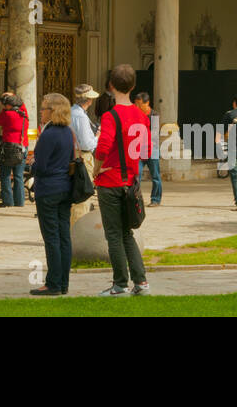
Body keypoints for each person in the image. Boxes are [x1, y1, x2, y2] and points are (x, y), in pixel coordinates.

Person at [93, 64, 150, 297]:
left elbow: (103, 146)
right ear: (133, 86)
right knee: (127, 233)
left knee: (114, 235)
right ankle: (141, 282)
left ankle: (119, 284)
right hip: (131, 182)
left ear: (111, 86)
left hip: (110, 180)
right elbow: (144, 150)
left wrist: (97, 169)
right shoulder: (142, 116)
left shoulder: (110, 116)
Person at [30, 92, 74, 296]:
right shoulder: (67, 132)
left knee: (52, 238)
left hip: (48, 189)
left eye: (44, 108)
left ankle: (53, 283)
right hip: (64, 188)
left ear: (53, 111)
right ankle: (63, 282)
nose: (41, 112)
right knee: (64, 236)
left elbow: (42, 166)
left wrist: (32, 165)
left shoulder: (49, 134)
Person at [69, 83, 99, 225]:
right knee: (83, 195)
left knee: (76, 193)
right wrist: (98, 137)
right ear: (89, 100)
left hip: (73, 155)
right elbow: (87, 143)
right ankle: (78, 230)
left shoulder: (72, 112)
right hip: (83, 156)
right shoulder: (80, 116)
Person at [0, 93, 29, 207]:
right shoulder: (24, 114)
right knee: (19, 176)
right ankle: (20, 202)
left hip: (9, 147)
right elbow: (22, 104)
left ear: (9, 105)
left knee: (5, 175)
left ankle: (8, 201)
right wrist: (13, 96)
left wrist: (4, 109)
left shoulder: (7, 114)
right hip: (22, 146)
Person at [133, 91, 162, 206]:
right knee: (136, 175)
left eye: (140, 104)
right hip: (138, 149)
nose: (137, 106)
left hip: (152, 149)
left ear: (147, 103)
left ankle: (155, 199)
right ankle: (136, 199)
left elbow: (154, 134)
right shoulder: (135, 114)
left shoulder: (154, 115)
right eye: (136, 104)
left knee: (155, 176)